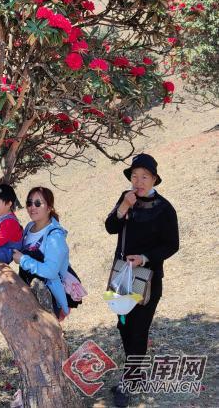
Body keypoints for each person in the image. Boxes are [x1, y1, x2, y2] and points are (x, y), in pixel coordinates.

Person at [105, 153, 179, 408]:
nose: (139, 181)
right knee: (124, 325)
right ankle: (134, 375)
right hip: (121, 276)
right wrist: (123, 206)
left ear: (154, 179)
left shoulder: (164, 209)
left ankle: (129, 382)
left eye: (145, 177)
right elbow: (110, 227)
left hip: (148, 279)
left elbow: (172, 245)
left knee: (139, 329)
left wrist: (146, 257)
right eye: (135, 176)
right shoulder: (126, 199)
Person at [12, 186, 74, 321]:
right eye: (29, 203)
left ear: (49, 207)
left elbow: (51, 271)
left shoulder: (54, 235)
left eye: (38, 203)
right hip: (29, 294)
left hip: (49, 298)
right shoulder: (29, 227)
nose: (32, 207)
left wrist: (23, 260)